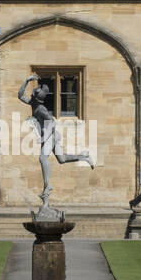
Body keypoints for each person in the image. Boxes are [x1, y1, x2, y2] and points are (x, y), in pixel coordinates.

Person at [17, 74, 94, 206]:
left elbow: (52, 123)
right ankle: (84, 156)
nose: (30, 95)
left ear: (36, 97)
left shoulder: (40, 109)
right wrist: (26, 80)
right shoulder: (33, 104)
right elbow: (19, 95)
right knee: (62, 159)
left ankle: (47, 186)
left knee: (42, 158)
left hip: (51, 135)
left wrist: (43, 138)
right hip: (51, 135)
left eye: (33, 93)